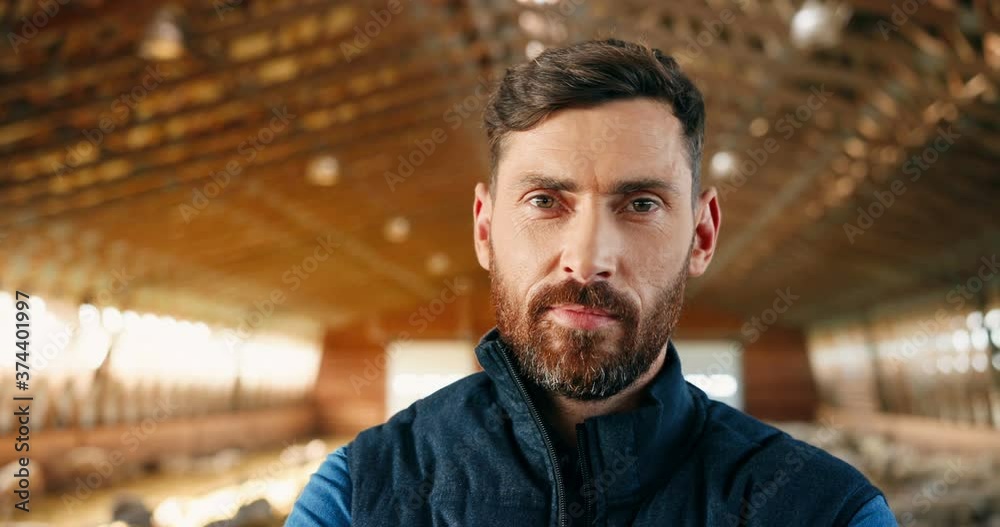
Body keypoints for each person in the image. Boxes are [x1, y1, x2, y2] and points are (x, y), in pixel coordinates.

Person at [286, 38, 896, 526]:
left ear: (702, 236)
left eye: (641, 205)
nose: (587, 260)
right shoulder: (357, 498)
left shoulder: (824, 510)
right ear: (484, 229)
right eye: (546, 200)